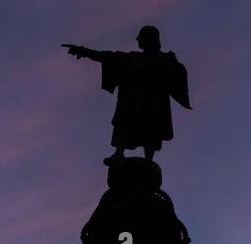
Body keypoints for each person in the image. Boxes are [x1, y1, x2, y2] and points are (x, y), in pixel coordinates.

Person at [62, 26, 191, 164]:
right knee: (123, 124)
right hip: (130, 100)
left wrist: (174, 64)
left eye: (141, 38)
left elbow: (177, 76)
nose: (138, 40)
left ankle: (148, 160)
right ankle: (118, 153)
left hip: (153, 103)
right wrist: (84, 51)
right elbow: (106, 56)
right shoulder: (132, 58)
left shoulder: (165, 59)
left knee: (151, 128)